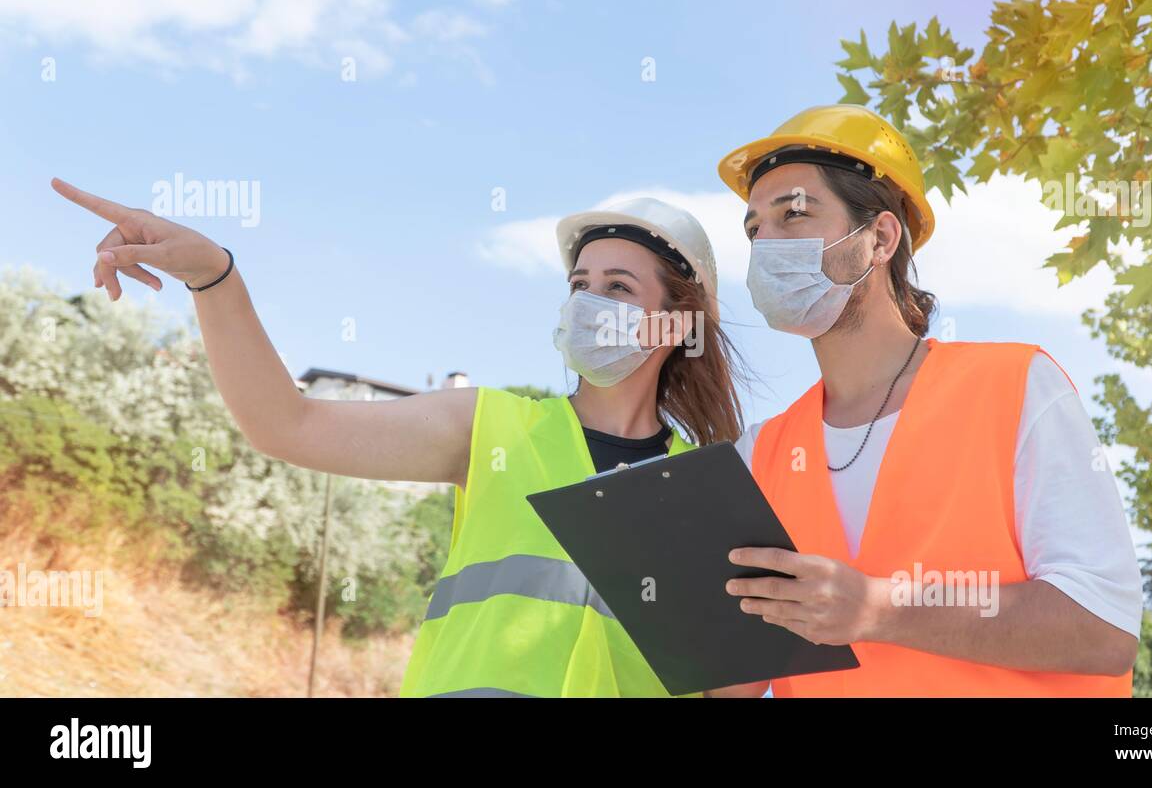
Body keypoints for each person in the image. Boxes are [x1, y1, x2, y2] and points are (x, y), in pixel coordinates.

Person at [50, 180, 747, 697]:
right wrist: (214, 278)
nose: (588, 303)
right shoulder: (490, 427)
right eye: (579, 283)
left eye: (618, 287)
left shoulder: (707, 494)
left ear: (677, 324)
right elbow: (286, 423)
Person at [710, 105, 1143, 697]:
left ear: (880, 238)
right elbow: (735, 679)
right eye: (755, 229)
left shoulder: (1016, 386)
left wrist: (877, 610)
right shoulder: (762, 450)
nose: (766, 244)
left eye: (793, 215)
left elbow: (1103, 629)